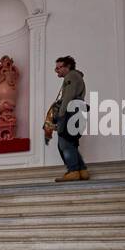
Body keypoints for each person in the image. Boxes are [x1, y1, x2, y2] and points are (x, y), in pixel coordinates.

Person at [44, 55, 89, 183]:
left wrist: (61, 115)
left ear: (68, 66)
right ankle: (82, 170)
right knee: (70, 142)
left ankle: (73, 170)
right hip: (76, 111)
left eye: (59, 67)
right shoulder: (75, 76)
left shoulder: (71, 77)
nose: (56, 70)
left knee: (64, 143)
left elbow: (68, 97)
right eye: (55, 68)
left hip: (70, 111)